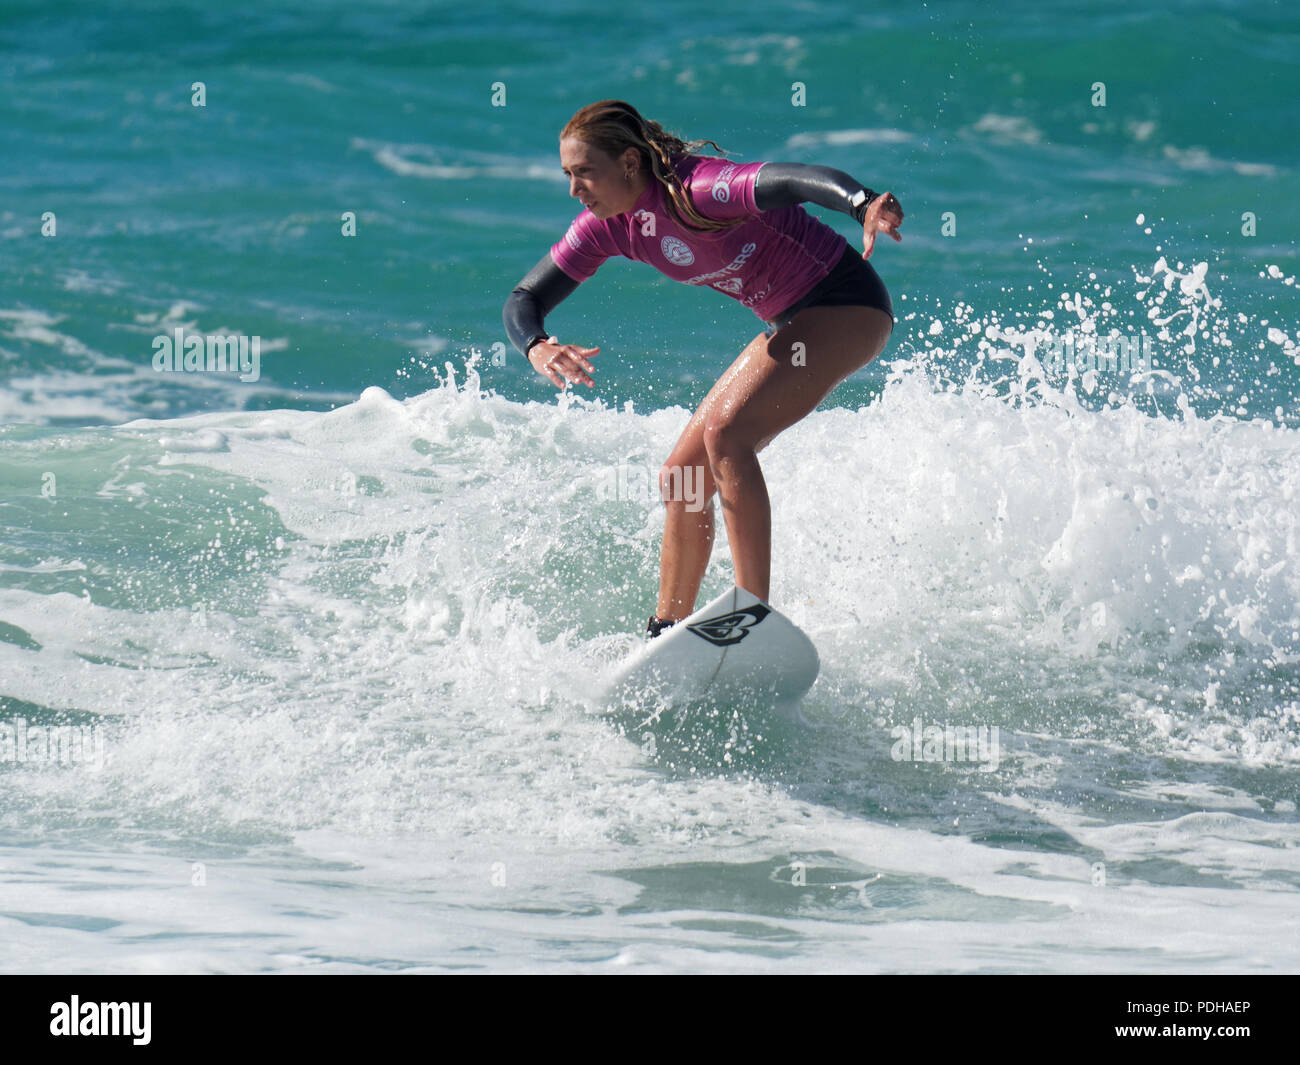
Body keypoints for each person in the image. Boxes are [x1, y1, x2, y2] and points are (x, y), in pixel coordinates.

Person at [503, 100, 903, 638]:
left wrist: (861, 204)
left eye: (584, 173)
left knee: (727, 435)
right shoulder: (607, 227)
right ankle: (667, 629)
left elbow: (796, 180)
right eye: (568, 175)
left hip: (847, 304)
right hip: (791, 324)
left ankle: (751, 615)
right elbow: (525, 297)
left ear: (627, 162)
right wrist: (537, 345)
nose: (575, 189)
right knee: (683, 476)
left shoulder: (701, 190)